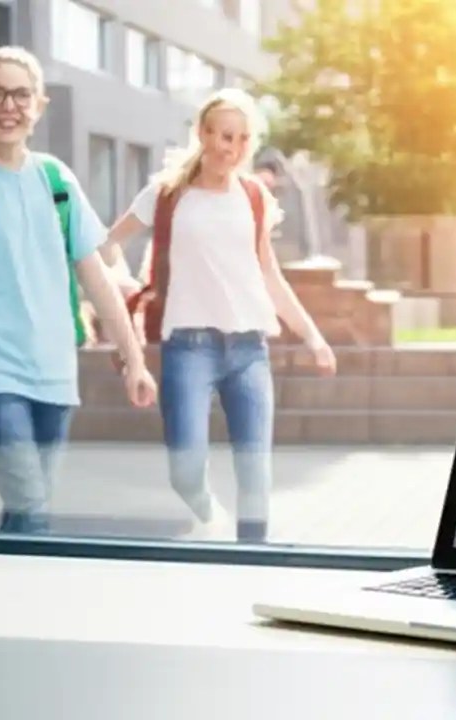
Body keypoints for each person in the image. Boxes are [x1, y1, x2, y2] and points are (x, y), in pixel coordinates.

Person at [0, 46, 156, 535]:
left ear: (39, 106)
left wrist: (134, 360)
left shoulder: (56, 180)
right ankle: (34, 601)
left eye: (21, 95)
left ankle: (6, 597)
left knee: (27, 506)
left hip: (54, 372)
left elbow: (96, 277)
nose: (9, 106)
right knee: (30, 500)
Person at [101, 88, 337, 544]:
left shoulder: (253, 197)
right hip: (188, 349)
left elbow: (269, 273)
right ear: (203, 134)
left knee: (255, 471)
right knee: (185, 470)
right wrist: (126, 288)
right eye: (224, 136)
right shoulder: (167, 195)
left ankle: (253, 557)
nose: (231, 148)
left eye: (242, 139)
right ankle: (212, 517)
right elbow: (107, 245)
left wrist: (313, 337)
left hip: (249, 350)